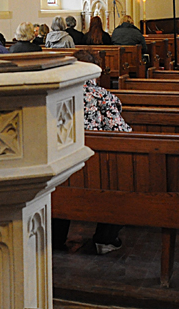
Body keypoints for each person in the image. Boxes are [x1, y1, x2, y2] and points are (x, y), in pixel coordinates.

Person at [52, 50, 131, 255]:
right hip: (96, 164)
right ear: (94, 73)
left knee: (61, 184)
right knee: (119, 178)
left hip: (61, 163)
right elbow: (121, 131)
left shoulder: (54, 96)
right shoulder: (102, 95)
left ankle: (54, 237)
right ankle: (105, 238)